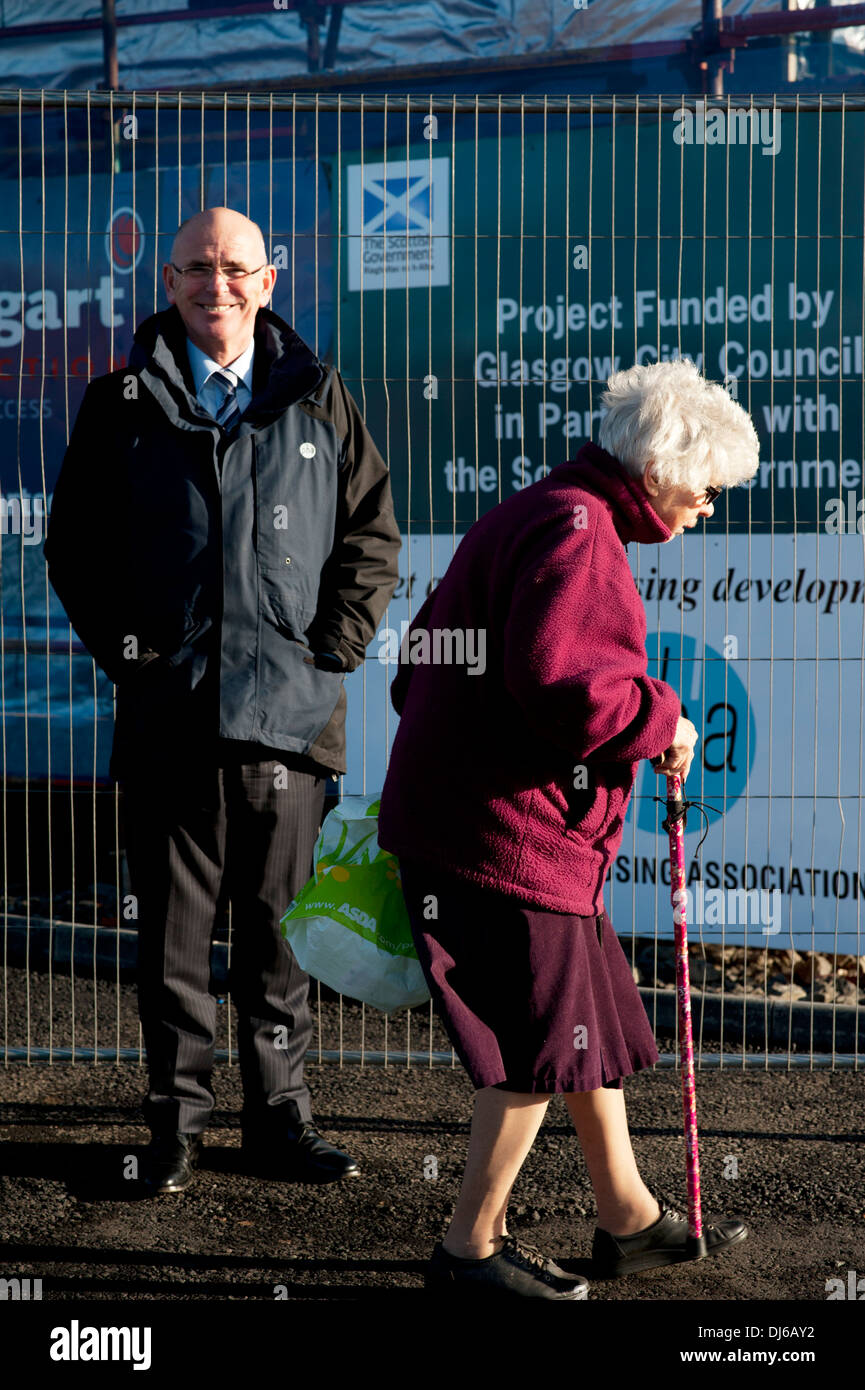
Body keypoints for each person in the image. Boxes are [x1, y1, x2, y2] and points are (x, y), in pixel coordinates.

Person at [378, 358, 758, 1298]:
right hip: (506, 841)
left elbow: (418, 663)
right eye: (707, 488)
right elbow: (563, 684)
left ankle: (625, 1217)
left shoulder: (539, 511)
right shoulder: (579, 532)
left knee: (577, 1024)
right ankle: (467, 1251)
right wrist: (661, 718)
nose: (709, 506)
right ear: (662, 466)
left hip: (490, 826)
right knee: (533, 1045)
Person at [44, 207, 400, 1194]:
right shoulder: (119, 404)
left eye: (236, 267)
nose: (218, 283)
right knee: (171, 942)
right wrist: (136, 656)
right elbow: (74, 546)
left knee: (279, 938)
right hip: (171, 722)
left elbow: (372, 533)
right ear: (168, 280)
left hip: (289, 725)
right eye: (198, 267)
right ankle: (174, 1126)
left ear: (269, 279)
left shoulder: (317, 396)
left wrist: (331, 650)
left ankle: (281, 1120)